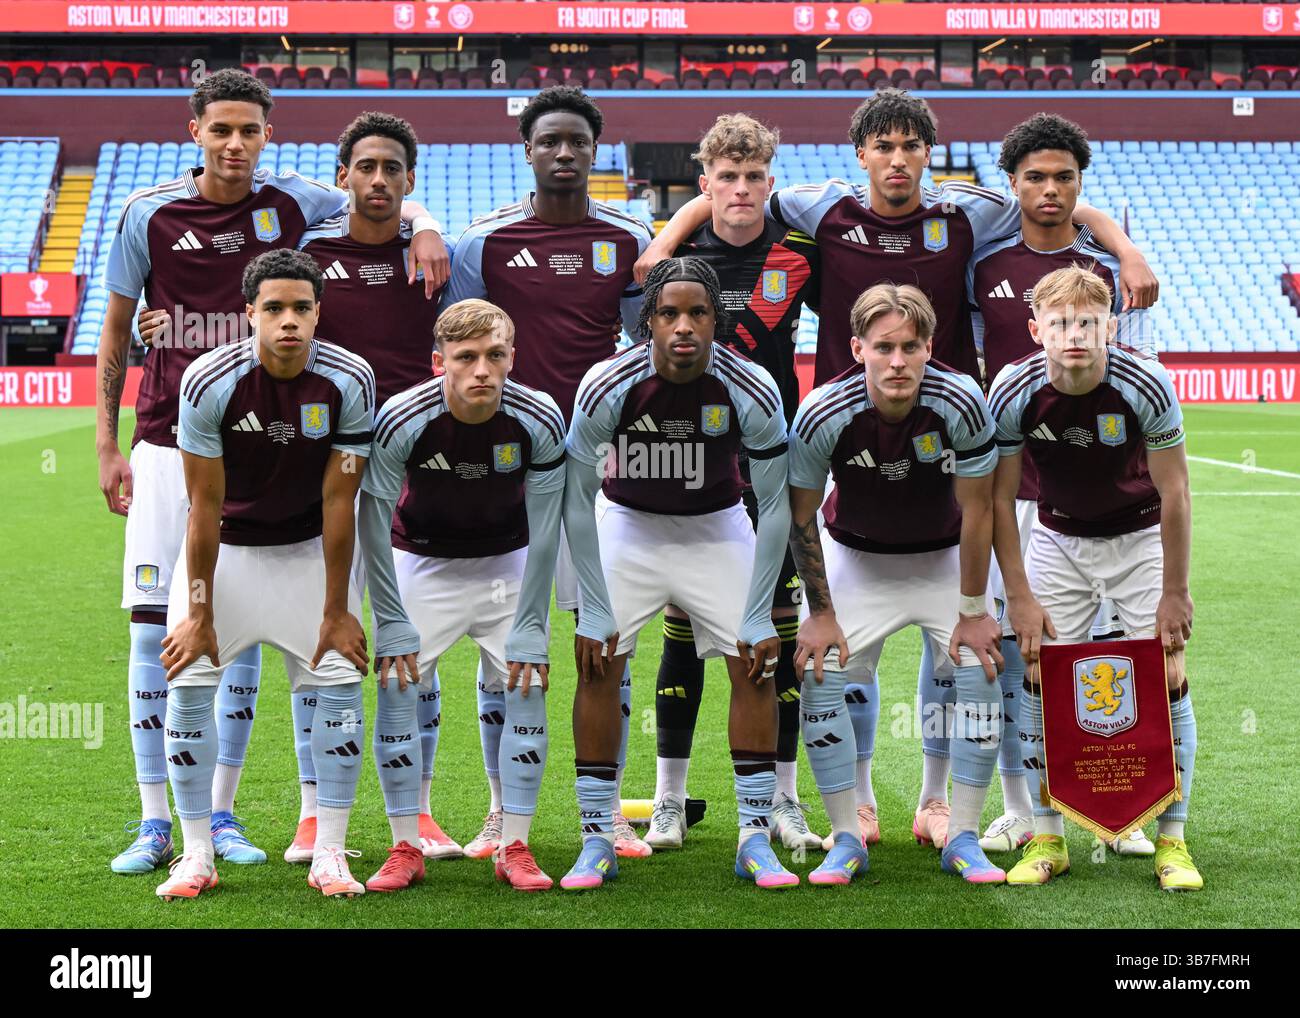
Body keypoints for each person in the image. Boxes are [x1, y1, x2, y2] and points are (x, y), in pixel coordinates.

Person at [639, 89, 1158, 850]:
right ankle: (858, 802)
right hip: (848, 429)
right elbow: (731, 194)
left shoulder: (964, 213)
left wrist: (1125, 247)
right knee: (854, 639)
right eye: (882, 146)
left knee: (957, 637)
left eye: (910, 146)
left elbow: (1052, 202)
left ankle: (938, 798)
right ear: (862, 156)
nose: (896, 160)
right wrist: (664, 239)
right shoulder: (823, 209)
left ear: (927, 155)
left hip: (951, 431)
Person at [97, 68, 446, 873]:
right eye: (220, 128)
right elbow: (117, 328)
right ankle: (155, 822)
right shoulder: (147, 211)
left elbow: (377, 192)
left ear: (268, 135)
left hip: (270, 443)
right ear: (194, 131)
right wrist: (108, 446)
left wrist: (426, 221)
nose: (234, 143)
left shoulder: (291, 202)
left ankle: (220, 814)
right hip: (166, 441)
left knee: (245, 636)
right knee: (157, 631)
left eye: (249, 130)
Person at [443, 84, 653, 859]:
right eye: (550, 142)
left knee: (608, 641)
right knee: (505, 646)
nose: (564, 153)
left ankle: (608, 811)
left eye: (578, 143)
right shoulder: (485, 243)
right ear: (526, 150)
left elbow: (646, 347)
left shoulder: (628, 239)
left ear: (596, 152)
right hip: (509, 468)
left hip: (602, 469)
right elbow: (459, 347)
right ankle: (503, 811)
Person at [561, 257, 794, 890]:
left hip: (715, 526)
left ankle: (754, 837)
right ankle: (597, 838)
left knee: (755, 660)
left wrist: (757, 610)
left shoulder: (751, 385)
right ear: (649, 321)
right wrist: (594, 604)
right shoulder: (608, 382)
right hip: (628, 525)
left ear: (717, 320)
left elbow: (774, 504)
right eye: (669, 313)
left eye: (697, 313)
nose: (683, 326)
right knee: (598, 661)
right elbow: (577, 499)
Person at [155, 249, 375, 900]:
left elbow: (340, 502)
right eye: (274, 308)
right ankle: (197, 853)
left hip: (307, 553)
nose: (288, 321)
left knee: (340, 683)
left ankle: (329, 852)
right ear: (249, 313)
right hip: (224, 555)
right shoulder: (208, 379)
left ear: (318, 313)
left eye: (301, 308)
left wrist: (337, 610)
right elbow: (204, 506)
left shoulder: (350, 379)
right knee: (188, 686)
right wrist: (199, 612)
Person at [969, 112, 1156, 856]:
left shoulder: (1105, 272)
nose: (1050, 190)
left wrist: (1125, 246)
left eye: (1065, 178)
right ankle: (1024, 807)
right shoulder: (982, 258)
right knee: (1017, 654)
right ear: (1012, 185)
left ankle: (1117, 805)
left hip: (1091, 493)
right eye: (1036, 178)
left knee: (1106, 655)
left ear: (1081, 185)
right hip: (1012, 488)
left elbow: (1134, 376)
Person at [987, 265, 1201, 891]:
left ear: (1111, 327)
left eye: (1087, 322)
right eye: (1059, 323)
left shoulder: (1146, 382)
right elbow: (999, 499)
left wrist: (1175, 592)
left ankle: (1173, 840)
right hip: (1058, 538)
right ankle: (1048, 837)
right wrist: (1018, 595)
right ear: (1037, 331)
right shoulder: (1013, 387)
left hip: (1140, 538)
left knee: (1166, 673)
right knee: (1038, 675)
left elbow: (1176, 492)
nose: (1074, 334)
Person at [788, 282, 1007, 885]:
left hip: (944, 556)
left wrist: (972, 610)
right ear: (857, 347)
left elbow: (979, 507)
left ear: (930, 348)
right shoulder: (823, 409)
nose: (898, 361)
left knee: (982, 667)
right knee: (820, 672)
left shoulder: (960, 399)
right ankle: (846, 837)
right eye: (884, 347)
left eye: (911, 346)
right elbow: (801, 515)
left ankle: (963, 835)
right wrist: (821, 613)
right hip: (857, 557)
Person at [646, 113, 822, 853]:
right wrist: (670, 232)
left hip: (773, 459)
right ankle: (668, 800)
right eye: (728, 177)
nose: (741, 189)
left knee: (777, 632)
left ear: (770, 182)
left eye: (753, 177)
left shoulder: (801, 248)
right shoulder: (678, 254)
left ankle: (783, 799)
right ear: (706, 183)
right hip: (699, 460)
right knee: (684, 629)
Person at [293, 111, 459, 864]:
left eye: (394, 169)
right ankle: (310, 814)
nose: (380, 179)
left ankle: (417, 809)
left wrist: (427, 226)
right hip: (322, 469)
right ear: (344, 177)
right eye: (367, 167)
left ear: (410, 179)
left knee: (411, 647)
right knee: (318, 639)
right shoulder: (310, 256)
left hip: (413, 473)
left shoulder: (434, 260)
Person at [357, 298, 566, 892]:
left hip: (508, 562)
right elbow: (372, 517)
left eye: (495, 356)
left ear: (512, 358)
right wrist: (390, 617)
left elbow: (548, 524)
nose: (482, 370)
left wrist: (532, 620)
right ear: (438, 362)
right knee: (398, 684)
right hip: (423, 561)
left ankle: (515, 845)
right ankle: (405, 846)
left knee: (527, 684)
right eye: (466, 357)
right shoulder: (402, 417)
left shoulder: (540, 416)